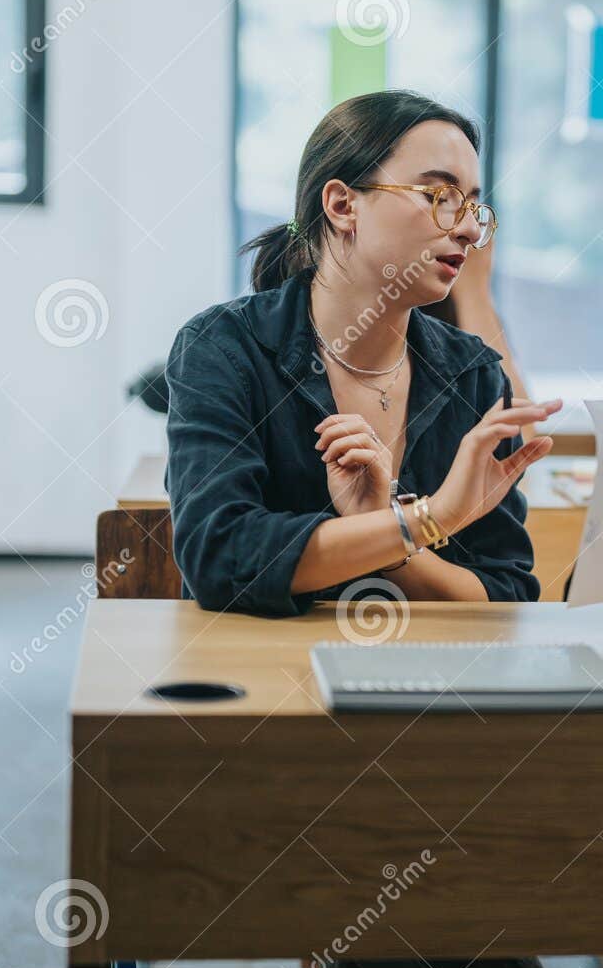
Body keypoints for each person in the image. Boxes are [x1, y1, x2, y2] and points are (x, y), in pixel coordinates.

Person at [166, 89, 560, 618]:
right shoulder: (224, 348)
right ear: (343, 204)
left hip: (432, 688)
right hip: (263, 686)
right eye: (438, 196)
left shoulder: (475, 377)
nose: (467, 228)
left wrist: (386, 536)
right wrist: (427, 520)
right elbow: (221, 559)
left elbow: (505, 595)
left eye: (472, 205)